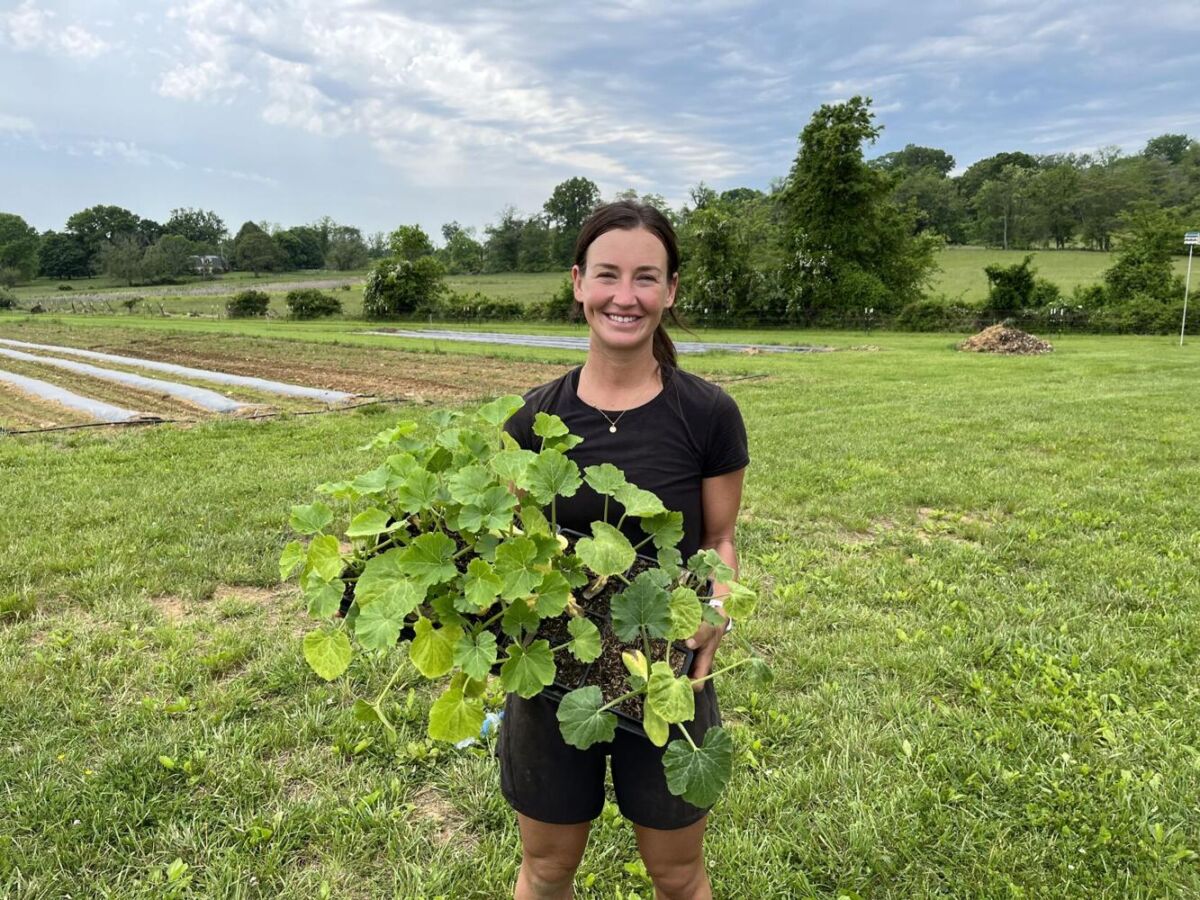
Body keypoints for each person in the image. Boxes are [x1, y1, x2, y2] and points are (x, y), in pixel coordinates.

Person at [498, 201, 749, 899]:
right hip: (553, 672)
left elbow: (721, 540)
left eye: (646, 278)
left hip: (663, 670)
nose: (625, 296)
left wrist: (716, 612)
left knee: (676, 872)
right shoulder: (532, 418)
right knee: (546, 869)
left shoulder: (707, 414)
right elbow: (513, 547)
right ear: (578, 282)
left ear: (669, 292)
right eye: (608, 275)